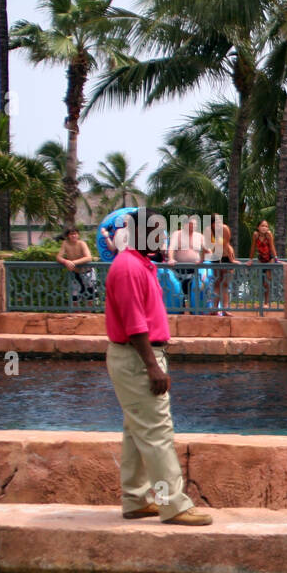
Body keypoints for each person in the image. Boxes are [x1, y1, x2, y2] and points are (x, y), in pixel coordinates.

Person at [103, 213, 212, 527]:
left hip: (140, 355)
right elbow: (134, 323)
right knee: (157, 431)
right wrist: (152, 366)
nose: (161, 238)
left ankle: (136, 499)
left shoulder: (141, 263)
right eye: (155, 232)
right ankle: (174, 505)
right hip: (138, 357)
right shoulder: (127, 267)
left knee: (136, 431)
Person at [168, 216, 207, 314]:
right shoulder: (177, 234)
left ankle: (195, 311)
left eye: (195, 225)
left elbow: (207, 250)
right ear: (185, 225)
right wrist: (171, 258)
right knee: (178, 292)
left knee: (195, 292)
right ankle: (179, 310)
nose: (193, 226)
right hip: (178, 269)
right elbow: (171, 248)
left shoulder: (200, 236)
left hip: (195, 269)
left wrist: (204, 258)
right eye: (191, 224)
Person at [208, 216, 238, 316]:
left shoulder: (224, 228)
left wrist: (232, 260)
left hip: (226, 256)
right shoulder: (210, 231)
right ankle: (215, 308)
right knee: (217, 283)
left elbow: (226, 244)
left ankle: (225, 309)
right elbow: (206, 246)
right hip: (216, 257)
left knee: (225, 283)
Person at [57, 228, 95, 306]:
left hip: (87, 273)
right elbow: (58, 257)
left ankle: (89, 314)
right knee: (74, 296)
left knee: (89, 295)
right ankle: (76, 314)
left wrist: (73, 262)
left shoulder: (82, 243)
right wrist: (66, 261)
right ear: (68, 236)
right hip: (75, 273)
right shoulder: (65, 243)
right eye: (71, 234)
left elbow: (88, 257)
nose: (73, 236)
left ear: (78, 235)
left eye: (75, 234)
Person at [251, 220, 277, 305]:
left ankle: (266, 302)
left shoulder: (269, 234)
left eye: (266, 226)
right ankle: (262, 302)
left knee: (267, 282)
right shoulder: (256, 235)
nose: (264, 228)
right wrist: (250, 259)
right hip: (261, 259)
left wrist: (276, 258)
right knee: (261, 282)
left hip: (269, 259)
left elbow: (272, 246)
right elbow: (253, 247)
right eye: (262, 226)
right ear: (258, 227)